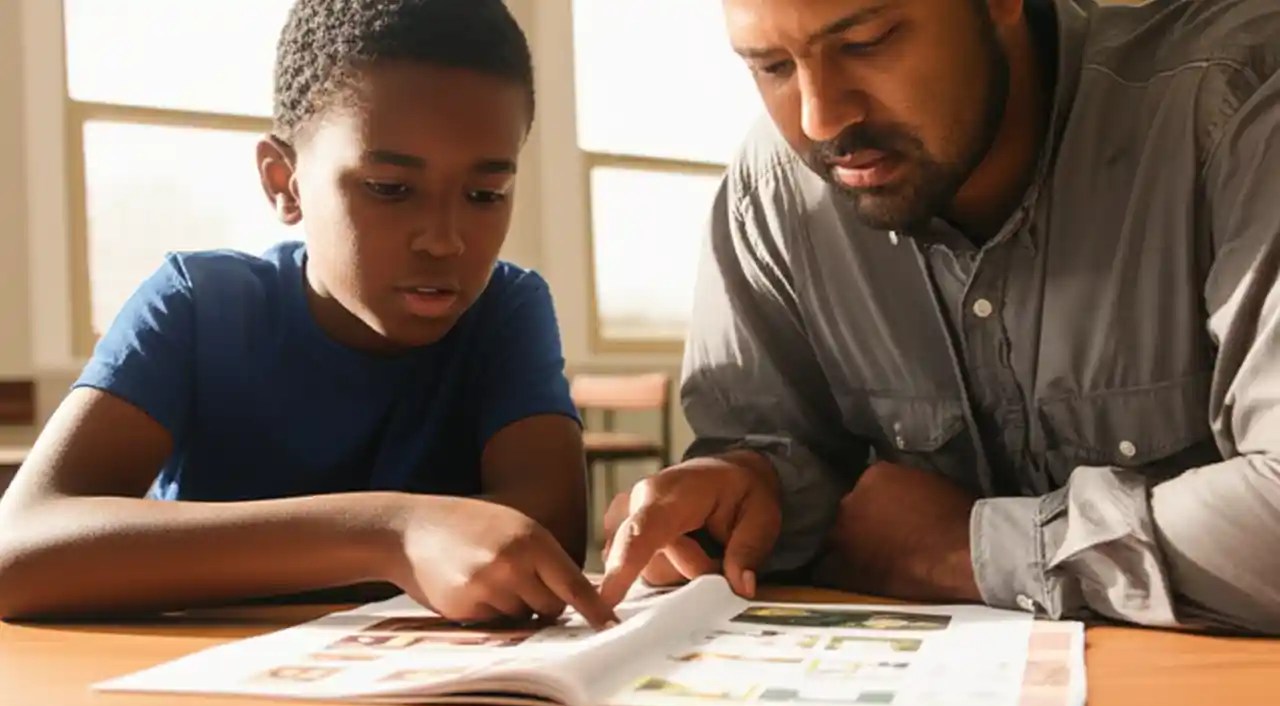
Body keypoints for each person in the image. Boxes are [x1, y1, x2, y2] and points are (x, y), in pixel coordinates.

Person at [599, 0, 1280, 634]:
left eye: (866, 42)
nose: (819, 120)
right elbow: (780, 453)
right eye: (772, 67)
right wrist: (748, 489)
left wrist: (973, 550)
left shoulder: (1238, 103)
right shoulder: (773, 195)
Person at [0, 0, 615, 629]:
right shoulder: (198, 306)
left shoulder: (505, 308)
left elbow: (550, 532)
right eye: (389, 188)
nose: (444, 239)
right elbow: (16, 551)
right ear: (284, 182)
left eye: (486, 195)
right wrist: (389, 532)